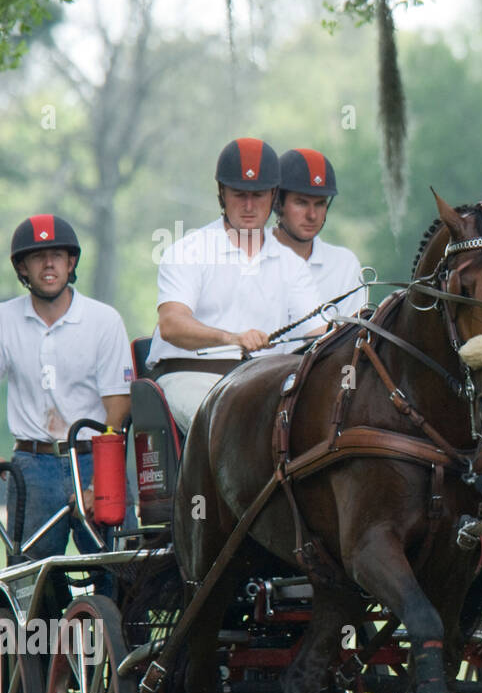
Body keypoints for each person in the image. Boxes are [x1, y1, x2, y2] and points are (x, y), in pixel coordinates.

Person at [145, 137, 325, 432]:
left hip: (265, 383)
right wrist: (232, 338)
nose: (250, 206)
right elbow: (172, 324)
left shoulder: (291, 264)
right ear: (222, 194)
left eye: (259, 195)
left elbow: (318, 334)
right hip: (190, 376)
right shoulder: (188, 250)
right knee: (238, 429)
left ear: (274, 196)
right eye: (240, 194)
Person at [2, 214, 133, 563]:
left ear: (71, 261)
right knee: (27, 581)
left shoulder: (103, 320)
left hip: (94, 456)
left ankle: (110, 618)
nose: (48, 264)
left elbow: (118, 406)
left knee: (119, 572)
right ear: (22, 268)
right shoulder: (5, 320)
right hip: (32, 463)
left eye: (57, 255)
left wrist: (98, 483)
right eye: (37, 256)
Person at [273, 147, 367, 319]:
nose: (312, 215)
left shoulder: (345, 265)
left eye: (320, 203)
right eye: (301, 203)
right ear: (277, 202)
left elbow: (353, 339)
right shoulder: (248, 256)